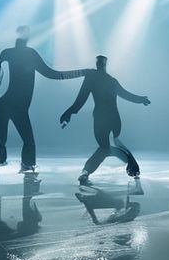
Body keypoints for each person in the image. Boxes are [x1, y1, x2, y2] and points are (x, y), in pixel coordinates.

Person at [0, 25, 88, 173]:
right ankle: (27, 166)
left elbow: (0, 75)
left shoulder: (6, 53)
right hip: (19, 106)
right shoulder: (31, 54)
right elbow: (53, 74)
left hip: (2, 103)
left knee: (1, 142)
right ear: (28, 37)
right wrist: (82, 72)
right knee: (29, 142)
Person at [60, 55, 150, 185]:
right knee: (108, 147)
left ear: (101, 65)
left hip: (105, 118)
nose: (99, 65)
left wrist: (70, 112)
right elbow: (81, 99)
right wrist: (70, 112)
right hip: (108, 118)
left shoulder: (98, 79)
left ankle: (86, 172)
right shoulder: (107, 80)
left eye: (100, 63)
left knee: (105, 148)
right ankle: (133, 167)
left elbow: (81, 99)